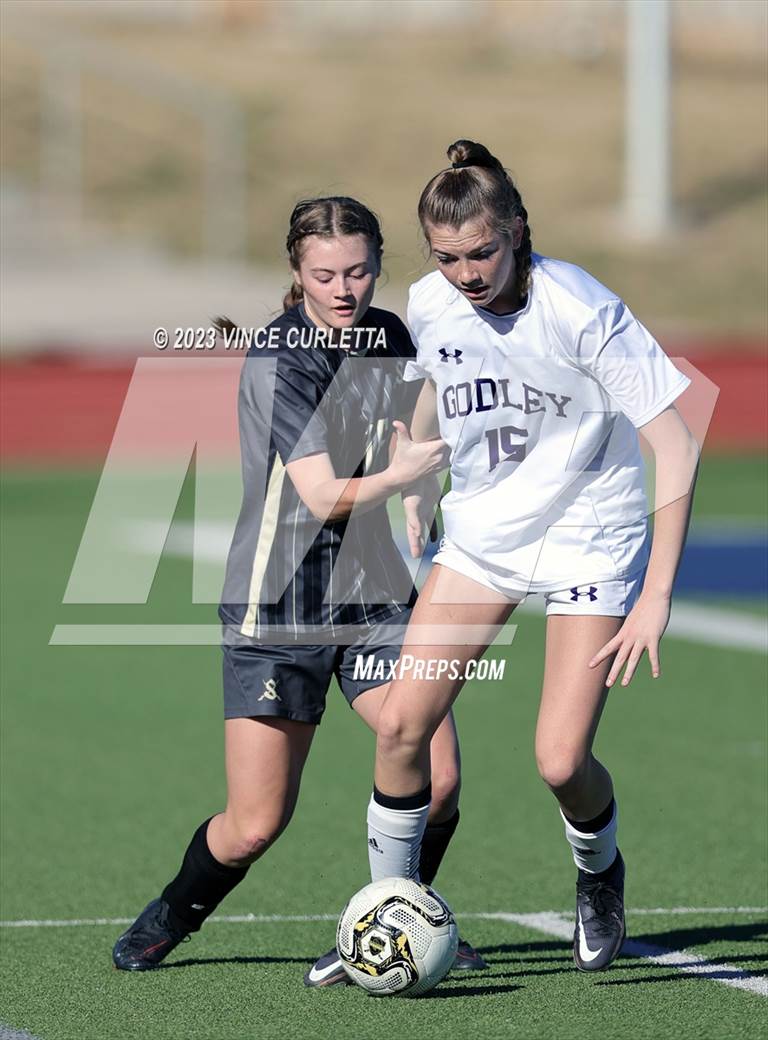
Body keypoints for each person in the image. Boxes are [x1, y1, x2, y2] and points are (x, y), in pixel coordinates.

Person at [112, 196, 486, 982]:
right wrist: (405, 476)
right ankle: (172, 915)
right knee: (254, 824)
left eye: (357, 271)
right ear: (297, 273)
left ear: (378, 264)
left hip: (375, 593)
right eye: (324, 275)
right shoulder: (280, 359)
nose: (344, 288)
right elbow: (321, 495)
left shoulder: (387, 332)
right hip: (277, 607)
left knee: (439, 776)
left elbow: (417, 401)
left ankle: (395, 919)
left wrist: (419, 483)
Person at [362, 142, 700, 973]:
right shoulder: (430, 301)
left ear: (517, 231)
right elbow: (437, 382)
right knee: (404, 724)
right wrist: (417, 478)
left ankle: (599, 872)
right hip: (486, 531)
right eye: (448, 258)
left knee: (558, 759)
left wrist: (655, 594)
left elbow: (677, 444)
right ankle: (384, 914)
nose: (467, 273)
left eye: (482, 251)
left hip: (592, 529)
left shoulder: (580, 306)